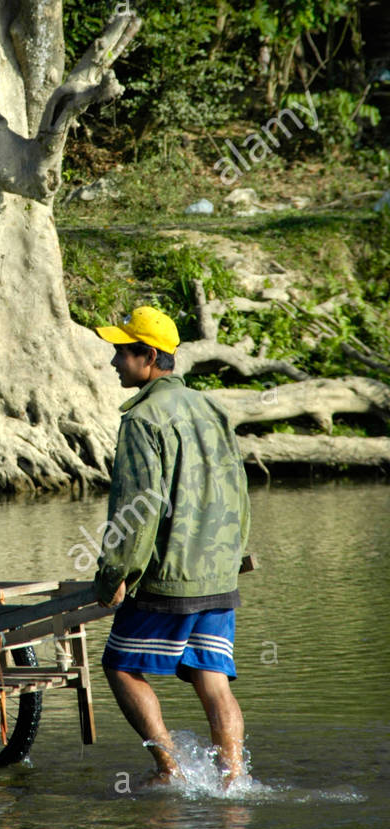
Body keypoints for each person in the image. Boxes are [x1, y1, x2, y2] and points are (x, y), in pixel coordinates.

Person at [92, 305, 251, 788]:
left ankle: (169, 771)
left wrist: (114, 573)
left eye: (121, 352)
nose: (114, 362)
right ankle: (233, 781)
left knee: (119, 665)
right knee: (211, 676)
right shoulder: (210, 407)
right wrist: (235, 556)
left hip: (172, 575)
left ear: (148, 357)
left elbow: (136, 508)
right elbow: (238, 491)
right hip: (218, 573)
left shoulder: (143, 419)